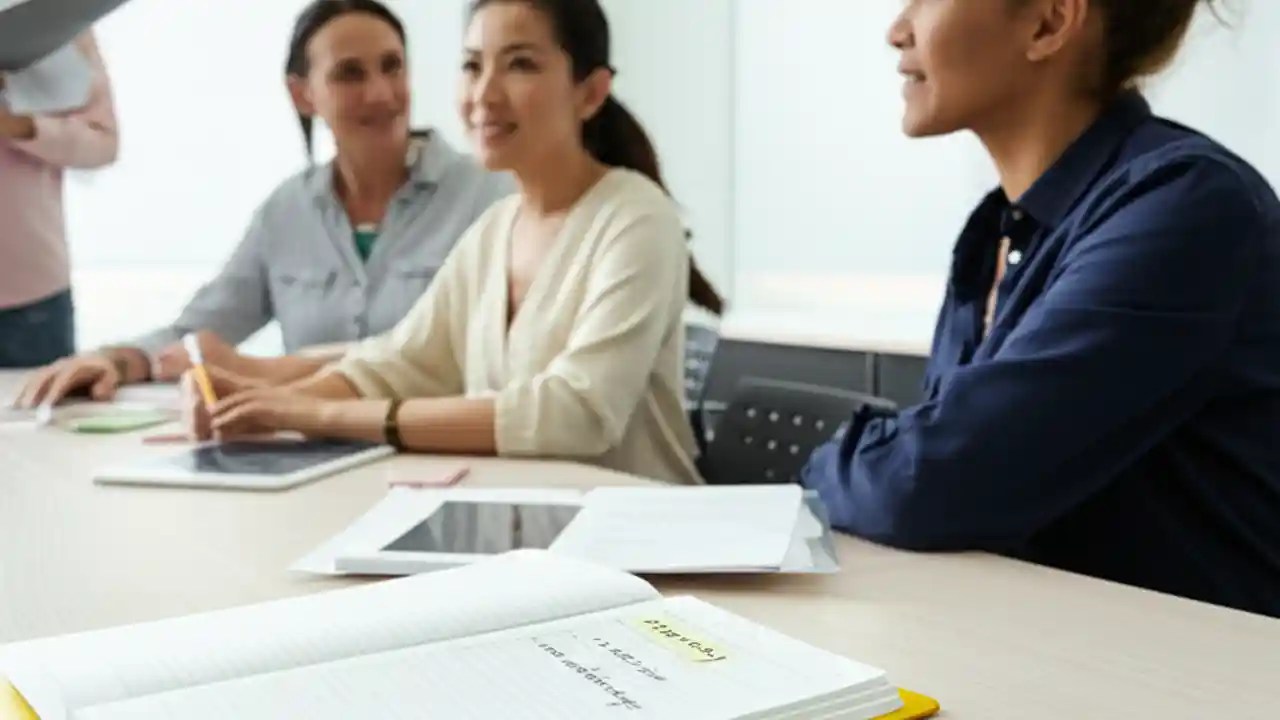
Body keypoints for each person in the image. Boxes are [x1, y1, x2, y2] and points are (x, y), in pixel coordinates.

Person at [801, 0, 1280, 617]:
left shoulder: (1187, 203)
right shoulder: (993, 232)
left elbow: (932, 485)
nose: (897, 30)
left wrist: (827, 464)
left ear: (1048, 23)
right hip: (1039, 641)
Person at [184, 0, 724, 485]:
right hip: (529, 542)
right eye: (472, 66)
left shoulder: (636, 219)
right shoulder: (495, 228)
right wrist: (258, 403)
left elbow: (574, 414)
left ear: (590, 93)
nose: (484, 95)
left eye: (520, 64)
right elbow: (399, 364)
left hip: (642, 548)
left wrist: (318, 416)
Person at [15, 0, 511, 408]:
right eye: (349, 74)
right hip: (315, 456)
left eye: (392, 66)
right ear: (302, 95)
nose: (380, 93)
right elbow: (198, 331)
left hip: (441, 456)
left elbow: (466, 355)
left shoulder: (488, 196)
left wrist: (264, 372)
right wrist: (117, 361)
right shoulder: (287, 212)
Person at [0, 31, 117, 368]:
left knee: (43, 416)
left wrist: (18, 125)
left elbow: (102, 142)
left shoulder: (58, 24)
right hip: (31, 296)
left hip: (27, 297)